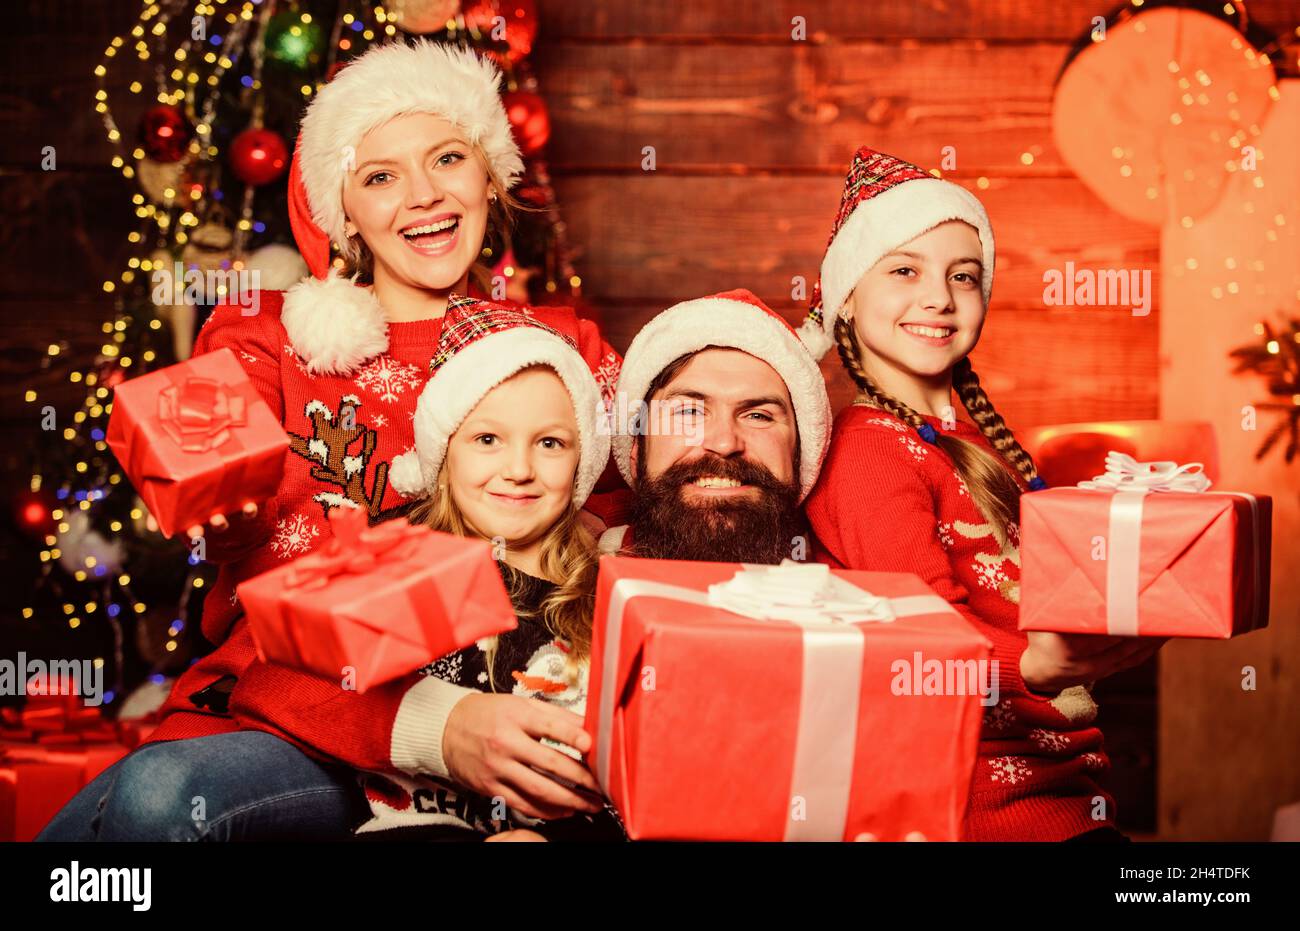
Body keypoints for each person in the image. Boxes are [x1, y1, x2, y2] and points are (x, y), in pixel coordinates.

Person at [39, 40, 620, 842]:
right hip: (298, 719)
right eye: (380, 176)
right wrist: (211, 491)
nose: (423, 195)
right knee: (160, 795)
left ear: (489, 173)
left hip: (511, 711)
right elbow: (254, 568)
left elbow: (644, 542)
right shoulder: (266, 340)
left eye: (448, 157)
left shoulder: (564, 354)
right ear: (339, 209)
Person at [800, 145, 1161, 841]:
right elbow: (919, 641)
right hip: (973, 810)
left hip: (1065, 785)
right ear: (847, 295)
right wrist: (1033, 664)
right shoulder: (869, 450)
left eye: (962, 276)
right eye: (904, 270)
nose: (938, 296)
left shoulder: (974, 438)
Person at [353, 299, 624, 841]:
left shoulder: (609, 590)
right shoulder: (397, 564)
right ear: (445, 450)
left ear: (582, 459)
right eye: (487, 439)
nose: (519, 470)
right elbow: (321, 692)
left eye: (550, 443)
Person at [598, 289, 831, 563]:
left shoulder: (847, 589)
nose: (724, 443)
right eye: (689, 412)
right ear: (636, 449)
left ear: (800, 455)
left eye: (758, 416)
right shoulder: (577, 580)